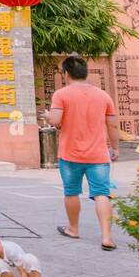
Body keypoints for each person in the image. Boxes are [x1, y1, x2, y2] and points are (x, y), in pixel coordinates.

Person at [43, 55, 119, 250]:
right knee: (102, 193)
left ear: (66, 74)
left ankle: (73, 228)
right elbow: (112, 126)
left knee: (71, 192)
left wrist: (47, 115)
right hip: (98, 154)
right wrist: (115, 148)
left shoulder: (61, 95)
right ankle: (106, 237)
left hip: (70, 154)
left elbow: (55, 120)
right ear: (86, 73)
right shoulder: (103, 96)